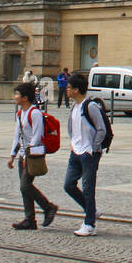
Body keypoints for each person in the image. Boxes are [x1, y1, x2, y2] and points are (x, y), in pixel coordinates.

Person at [7, 81, 58, 230]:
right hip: (23, 155)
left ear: (25, 98)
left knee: (25, 186)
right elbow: (18, 136)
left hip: (32, 155)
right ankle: (30, 219)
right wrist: (13, 155)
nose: (15, 97)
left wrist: (27, 155)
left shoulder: (34, 113)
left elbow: (37, 136)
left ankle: (48, 207)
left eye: (17, 94)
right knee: (25, 187)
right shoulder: (20, 113)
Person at [64, 72, 106, 236]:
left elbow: (101, 129)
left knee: (88, 188)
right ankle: (92, 210)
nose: (66, 90)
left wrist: (93, 148)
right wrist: (73, 142)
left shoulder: (91, 106)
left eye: (69, 87)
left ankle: (90, 224)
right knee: (68, 185)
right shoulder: (74, 107)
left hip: (89, 153)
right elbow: (72, 128)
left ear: (76, 89)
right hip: (75, 151)